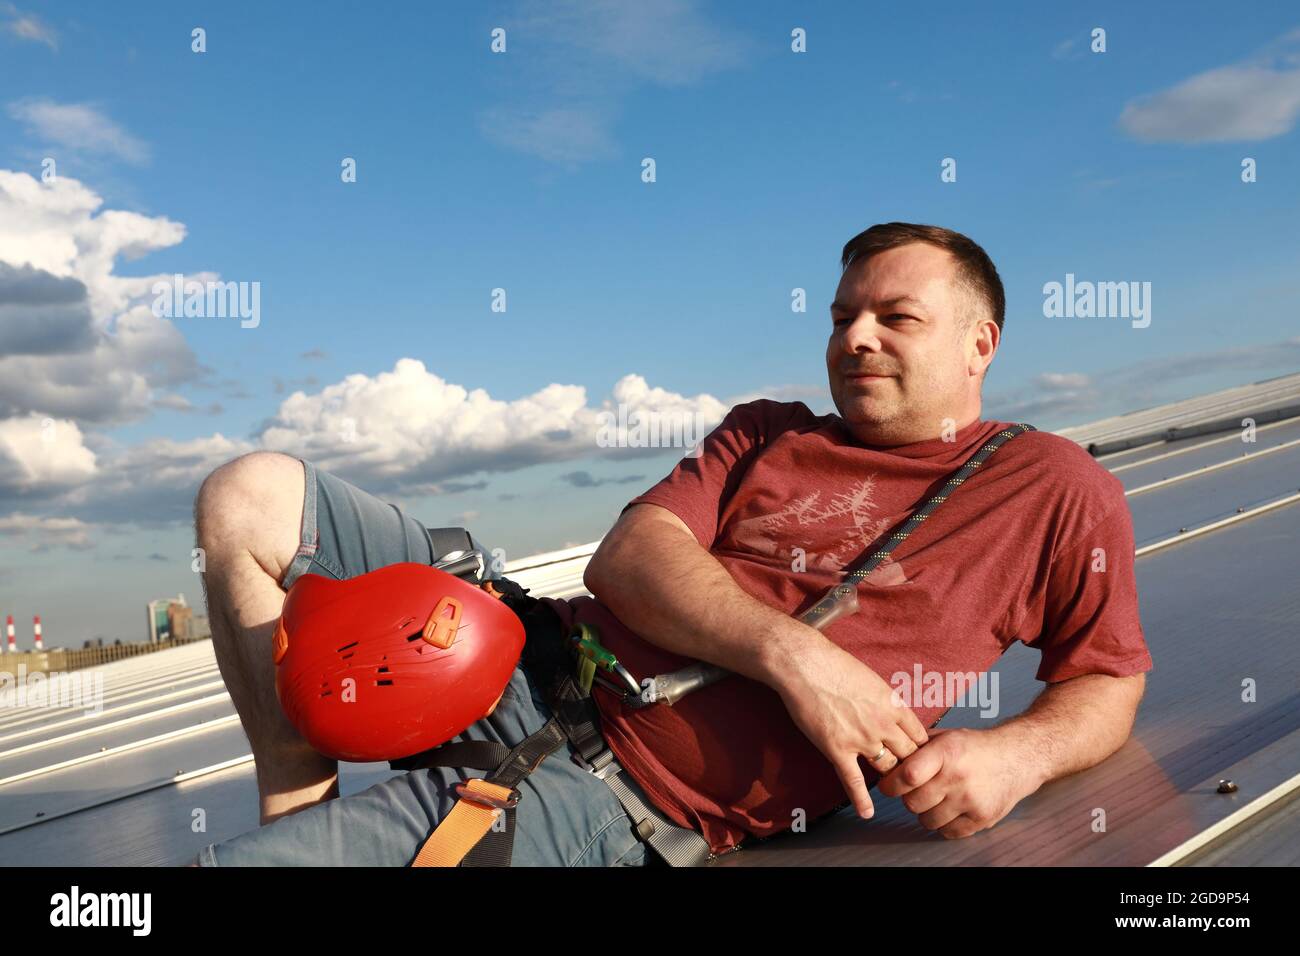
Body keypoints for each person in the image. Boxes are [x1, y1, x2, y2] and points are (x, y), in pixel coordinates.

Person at [190, 222, 1151, 866]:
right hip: (524, 660)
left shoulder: (1054, 490)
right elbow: (629, 560)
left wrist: (1016, 759)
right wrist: (796, 656)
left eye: (896, 319)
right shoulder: (769, 429)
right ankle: (296, 806)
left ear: (981, 345)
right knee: (251, 498)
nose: (855, 338)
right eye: (842, 316)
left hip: (612, 802)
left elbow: (1106, 677)